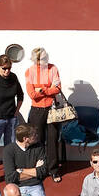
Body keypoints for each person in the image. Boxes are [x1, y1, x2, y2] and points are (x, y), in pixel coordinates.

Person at [23, 48, 62, 181]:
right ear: (36, 60)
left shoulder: (53, 69)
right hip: (37, 109)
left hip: (52, 109)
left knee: (52, 138)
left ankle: (53, 170)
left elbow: (57, 88)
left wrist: (42, 89)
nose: (46, 60)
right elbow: (32, 94)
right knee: (36, 140)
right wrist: (48, 89)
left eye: (46, 57)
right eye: (42, 59)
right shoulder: (29, 71)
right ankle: (38, 169)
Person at [2, 122, 50, 196]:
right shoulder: (9, 150)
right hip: (17, 188)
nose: (37, 136)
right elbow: (10, 178)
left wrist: (21, 170)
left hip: (35, 186)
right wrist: (35, 171)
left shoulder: (39, 147)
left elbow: (43, 171)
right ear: (25, 139)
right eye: (34, 135)